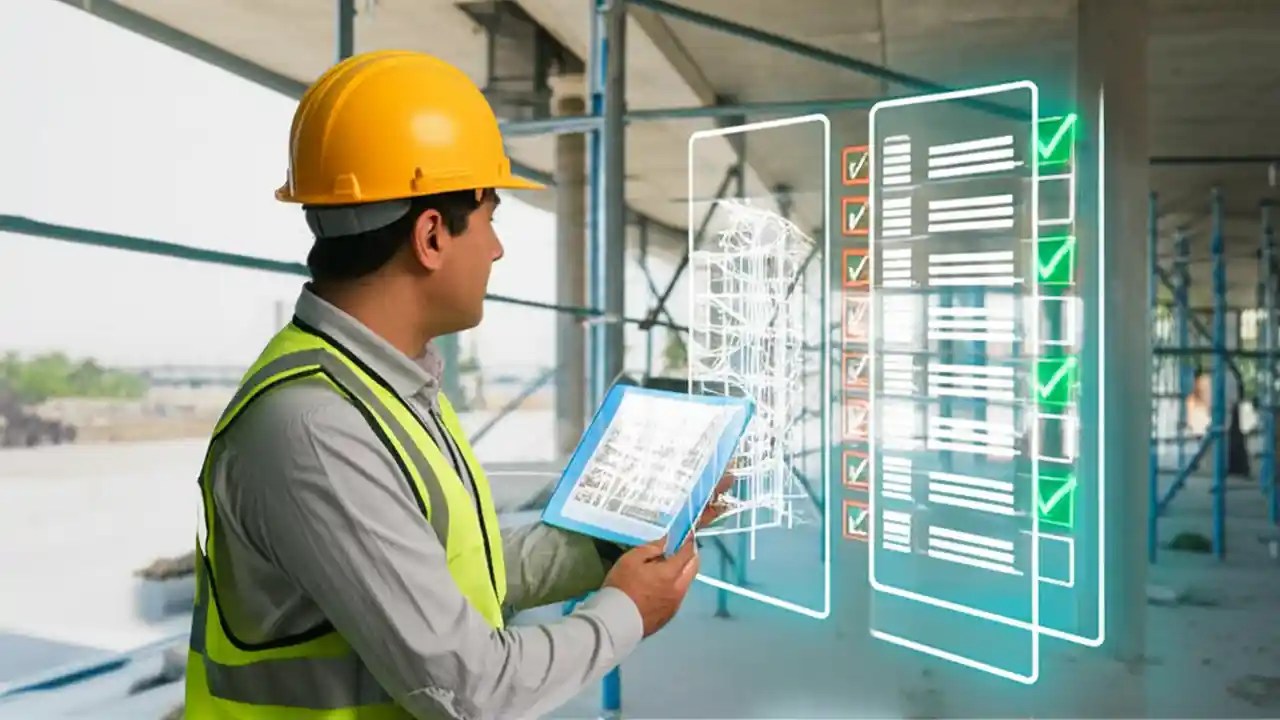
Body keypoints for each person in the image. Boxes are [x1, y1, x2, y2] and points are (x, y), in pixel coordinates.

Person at [183, 49, 730, 719]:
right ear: (432, 236)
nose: (497, 249)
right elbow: (472, 692)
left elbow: (463, 575)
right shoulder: (315, 429)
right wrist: (628, 612)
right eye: (492, 217)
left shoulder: (382, 390)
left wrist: (624, 536)